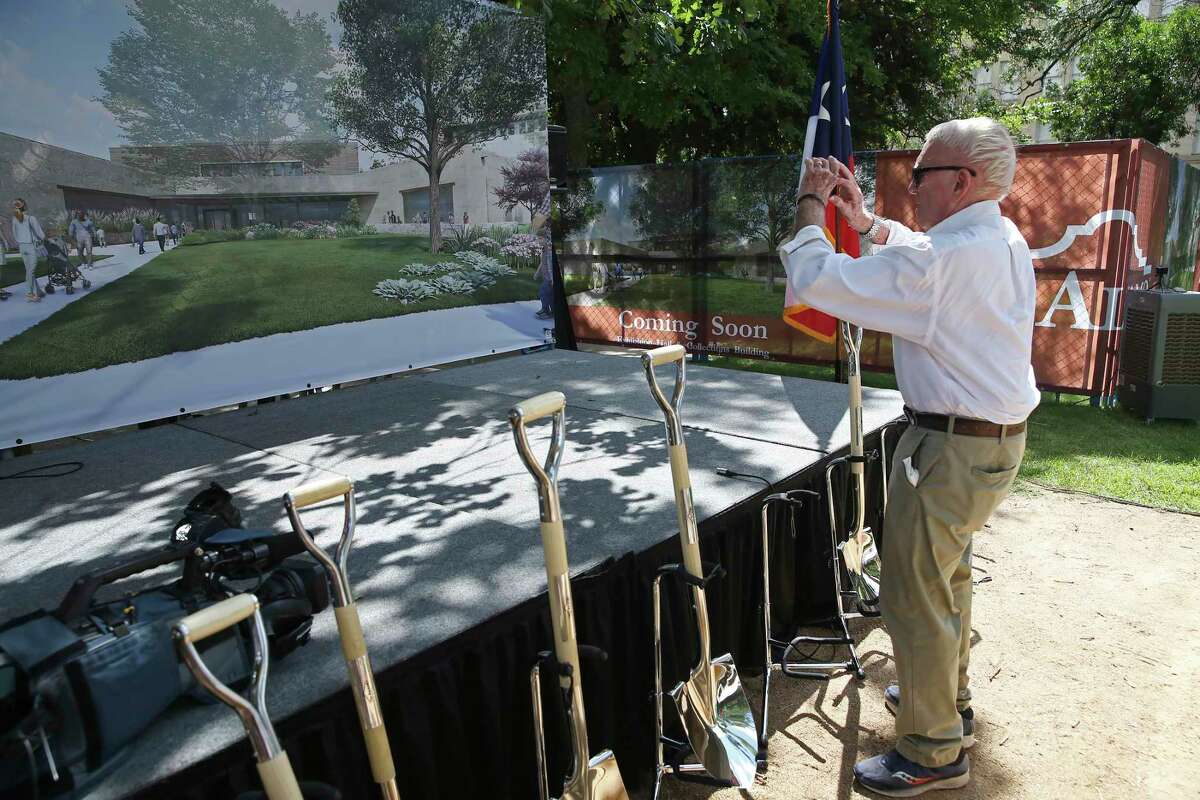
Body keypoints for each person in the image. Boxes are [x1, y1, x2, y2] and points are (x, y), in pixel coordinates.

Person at [778, 117, 1039, 797]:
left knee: (915, 598)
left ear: (963, 181)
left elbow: (815, 278)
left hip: (949, 447)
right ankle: (945, 707)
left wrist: (810, 203)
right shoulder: (995, 234)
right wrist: (867, 223)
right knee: (944, 582)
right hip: (990, 443)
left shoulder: (941, 261)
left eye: (922, 174)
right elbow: (926, 251)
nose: (912, 185)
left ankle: (931, 750)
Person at [10, 198, 45, 302]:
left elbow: (14, 234)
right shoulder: (31, 218)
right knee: (31, 271)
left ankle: (38, 291)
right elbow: (40, 234)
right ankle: (30, 294)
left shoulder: (14, 219)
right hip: (31, 246)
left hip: (22, 247)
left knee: (29, 271)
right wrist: (44, 239)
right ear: (25, 206)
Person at [531, 191, 553, 320]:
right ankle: (547, 309)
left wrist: (535, 225)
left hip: (551, 250)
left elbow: (539, 219)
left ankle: (549, 310)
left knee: (547, 290)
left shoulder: (550, 195)